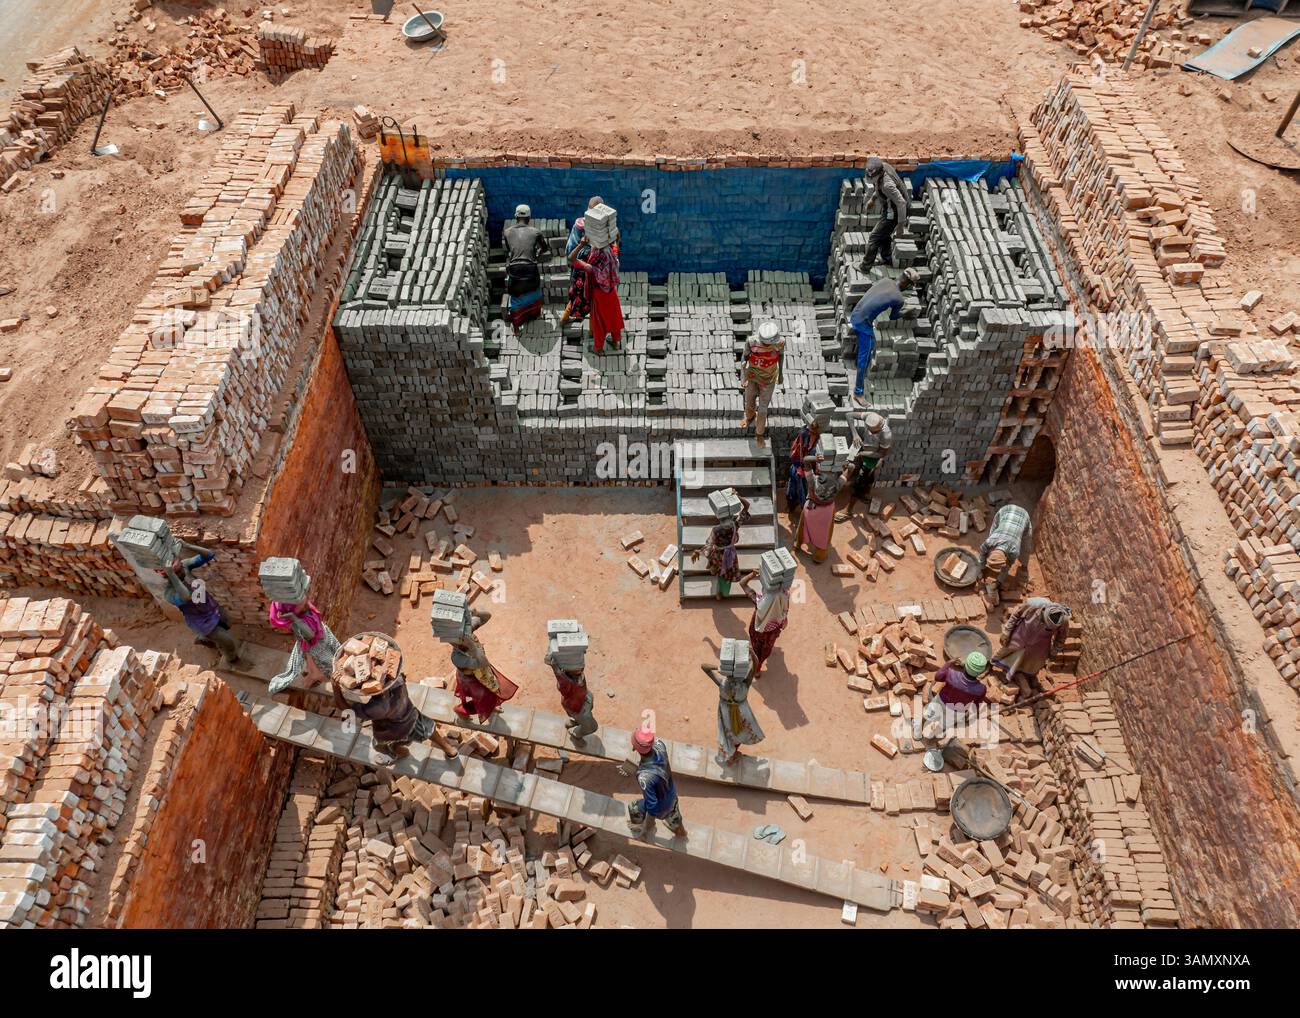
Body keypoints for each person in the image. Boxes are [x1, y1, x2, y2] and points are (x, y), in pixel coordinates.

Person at [331, 644, 458, 765]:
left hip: (392, 729)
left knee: (383, 745)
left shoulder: (378, 707)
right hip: (409, 711)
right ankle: (449, 749)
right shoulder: (397, 678)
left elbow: (347, 710)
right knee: (427, 728)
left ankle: (397, 754)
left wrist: (335, 687)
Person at [847, 268, 918, 407]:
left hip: (856, 312)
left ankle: (859, 349)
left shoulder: (886, 280)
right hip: (862, 323)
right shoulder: (898, 299)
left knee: (867, 344)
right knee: (865, 358)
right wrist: (906, 314)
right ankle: (858, 393)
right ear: (908, 285)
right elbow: (893, 316)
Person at [161, 546, 242, 666]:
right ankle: (232, 660)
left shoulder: (185, 566)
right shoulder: (169, 593)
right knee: (228, 643)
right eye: (177, 572)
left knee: (227, 623)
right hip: (201, 621)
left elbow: (209, 554)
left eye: (180, 568)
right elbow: (186, 596)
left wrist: (185, 544)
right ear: (167, 575)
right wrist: (173, 576)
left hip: (211, 607)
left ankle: (204, 639)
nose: (182, 570)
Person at [921, 651, 991, 772]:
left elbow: (938, 677)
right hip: (957, 712)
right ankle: (930, 739)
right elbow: (976, 705)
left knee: (929, 713)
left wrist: (949, 663)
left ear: (965, 665)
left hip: (941, 702)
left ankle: (920, 728)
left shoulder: (951, 674)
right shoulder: (980, 689)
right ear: (980, 672)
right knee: (943, 725)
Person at [448, 608, 520, 721]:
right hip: (473, 681)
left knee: (490, 696)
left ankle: (491, 706)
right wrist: (472, 646)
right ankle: (461, 710)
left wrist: (475, 613)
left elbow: (487, 616)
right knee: (485, 699)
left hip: (483, 674)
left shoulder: (466, 633)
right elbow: (482, 662)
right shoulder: (458, 657)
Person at [268, 596, 340, 694]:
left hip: (321, 636)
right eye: (300, 603)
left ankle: (310, 672)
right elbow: (310, 635)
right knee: (324, 668)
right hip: (316, 647)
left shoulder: (303, 608)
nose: (304, 601)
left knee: (333, 656)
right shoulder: (296, 624)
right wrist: (294, 618)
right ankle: (310, 680)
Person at [702, 654, 765, 767]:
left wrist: (721, 668)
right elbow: (755, 665)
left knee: (727, 735)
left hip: (725, 713)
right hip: (743, 714)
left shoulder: (722, 683)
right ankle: (732, 755)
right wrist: (753, 654)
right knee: (740, 733)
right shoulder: (745, 683)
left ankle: (730, 755)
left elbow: (704, 667)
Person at [626, 723, 687, 838]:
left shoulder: (644, 777)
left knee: (633, 808)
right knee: (674, 814)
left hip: (661, 807)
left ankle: (643, 829)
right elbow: (655, 769)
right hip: (672, 795)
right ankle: (680, 831)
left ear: (635, 748)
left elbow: (652, 808)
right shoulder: (660, 746)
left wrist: (645, 828)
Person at [690, 492, 751, 599]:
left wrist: (699, 552)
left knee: (719, 572)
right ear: (731, 515)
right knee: (727, 573)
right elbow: (747, 505)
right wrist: (737, 497)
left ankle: (718, 592)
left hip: (718, 556)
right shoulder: (735, 525)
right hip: (730, 555)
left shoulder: (716, 530)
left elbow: (709, 545)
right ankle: (724, 593)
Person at [835, 411, 892, 524]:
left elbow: (882, 454)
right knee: (864, 478)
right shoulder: (869, 416)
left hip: (873, 456)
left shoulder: (886, 434)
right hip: (865, 449)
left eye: (872, 431)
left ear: (879, 428)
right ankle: (865, 495)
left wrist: (862, 454)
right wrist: (855, 434)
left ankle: (848, 511)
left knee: (860, 482)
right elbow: (848, 415)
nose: (869, 431)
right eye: (868, 429)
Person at [995, 598, 1070, 682]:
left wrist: (1055, 650)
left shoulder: (1064, 620)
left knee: (1031, 663)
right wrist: (1006, 632)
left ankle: (1022, 675)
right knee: (1007, 651)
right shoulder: (1032, 604)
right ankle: (997, 665)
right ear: (1043, 611)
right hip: (1020, 635)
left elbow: (1061, 637)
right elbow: (1016, 615)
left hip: (1039, 645)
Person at [571, 234, 623, 353]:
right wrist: (614, 239)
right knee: (614, 317)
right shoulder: (613, 259)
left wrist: (581, 245)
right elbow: (615, 246)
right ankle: (616, 342)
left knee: (598, 321)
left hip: (599, 295)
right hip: (611, 292)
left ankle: (598, 348)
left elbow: (571, 258)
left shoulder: (591, 268)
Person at [793, 458, 852, 564]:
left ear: (819, 471)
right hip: (827, 512)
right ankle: (819, 556)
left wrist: (816, 458)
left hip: (810, 509)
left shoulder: (813, 480)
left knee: (803, 527)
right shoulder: (837, 484)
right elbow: (848, 472)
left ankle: (797, 544)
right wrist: (847, 465)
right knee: (824, 534)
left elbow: (806, 461)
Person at [503, 204, 549, 335]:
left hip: (515, 269)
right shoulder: (536, 232)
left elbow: (510, 251)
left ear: (515, 217)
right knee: (534, 292)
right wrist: (537, 254)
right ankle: (536, 315)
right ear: (529, 218)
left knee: (516, 298)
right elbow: (544, 248)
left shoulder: (507, 232)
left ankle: (516, 329)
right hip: (530, 268)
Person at [739, 320, 785, 448]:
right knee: (749, 401)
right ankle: (749, 417)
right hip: (752, 376)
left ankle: (759, 434)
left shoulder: (780, 343)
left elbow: (781, 355)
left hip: (769, 380)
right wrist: (743, 377)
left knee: (763, 409)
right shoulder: (752, 342)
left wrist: (781, 373)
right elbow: (744, 358)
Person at [859, 156, 909, 273]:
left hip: (896, 211)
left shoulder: (887, 185)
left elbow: (901, 203)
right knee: (884, 233)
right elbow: (879, 184)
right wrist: (873, 198)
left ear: (881, 172)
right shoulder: (883, 166)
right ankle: (886, 258)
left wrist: (900, 225)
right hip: (890, 206)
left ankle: (865, 267)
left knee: (874, 237)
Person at [738, 568, 789, 676]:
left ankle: (756, 668)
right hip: (771, 634)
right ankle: (759, 665)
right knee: (764, 651)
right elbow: (786, 608)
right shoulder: (784, 597)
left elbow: (742, 583)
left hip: (757, 631)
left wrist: (752, 574)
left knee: (756, 649)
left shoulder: (759, 601)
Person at [544, 645, 598, 744]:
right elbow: (559, 676)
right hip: (576, 707)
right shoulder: (565, 683)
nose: (580, 668)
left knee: (590, 699)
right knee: (592, 727)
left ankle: (574, 721)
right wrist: (553, 665)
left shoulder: (576, 675)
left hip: (582, 698)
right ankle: (575, 735)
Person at [979, 503, 1033, 596]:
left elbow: (1007, 566)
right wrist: (981, 569)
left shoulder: (1014, 550)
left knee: (1026, 548)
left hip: (1023, 517)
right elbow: (982, 556)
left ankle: (1024, 568)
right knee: (993, 531)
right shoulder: (989, 542)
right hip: (1005, 511)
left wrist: (998, 582)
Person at [785, 415, 823, 529]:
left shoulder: (819, 441)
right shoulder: (803, 435)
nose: (813, 434)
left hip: (808, 473)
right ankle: (791, 506)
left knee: (804, 496)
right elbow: (796, 454)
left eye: (815, 432)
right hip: (797, 469)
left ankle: (804, 517)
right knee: (791, 492)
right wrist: (801, 467)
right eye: (811, 431)